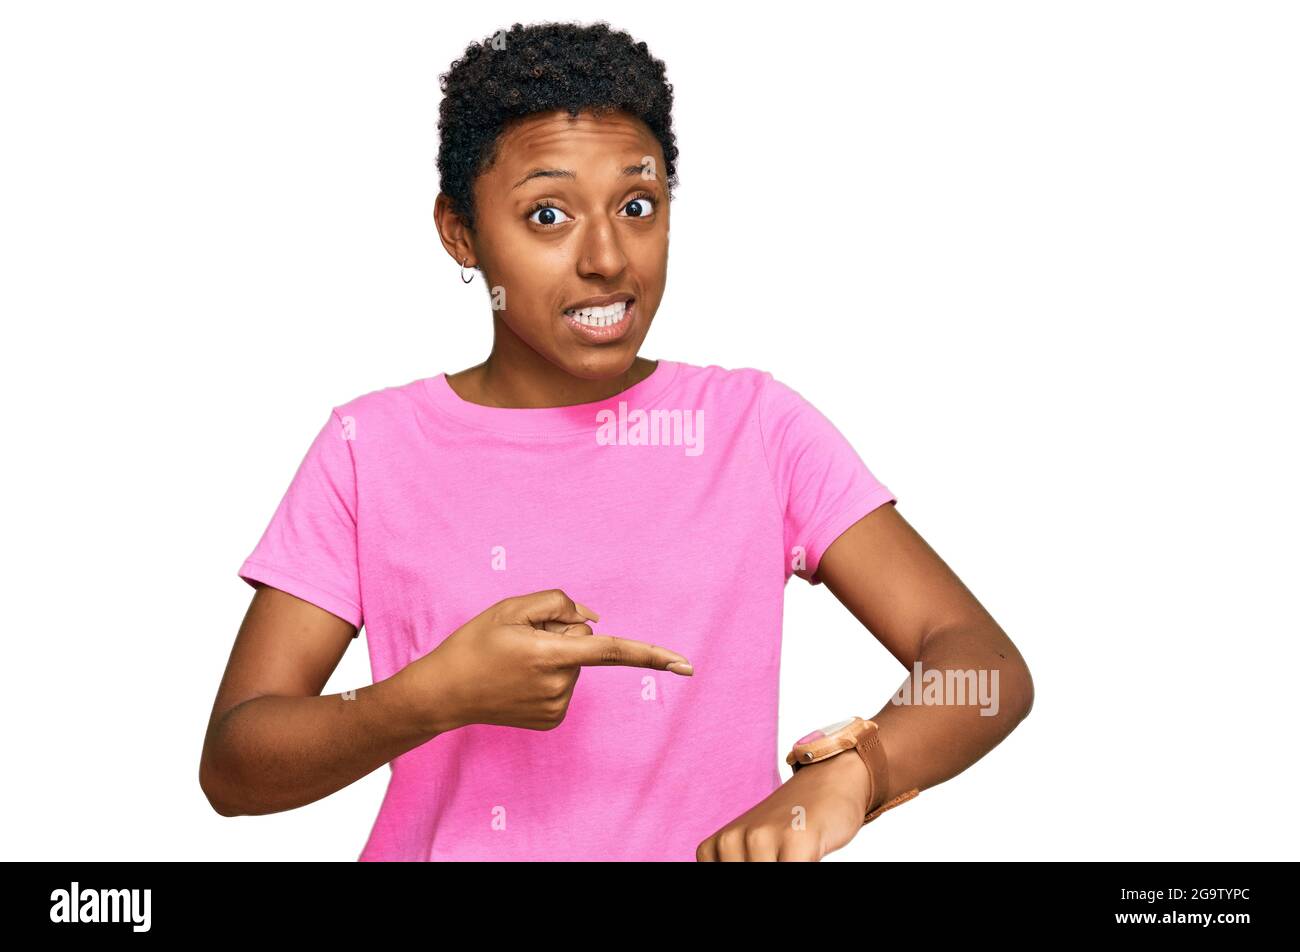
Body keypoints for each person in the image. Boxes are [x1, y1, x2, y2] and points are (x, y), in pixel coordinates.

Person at [199, 20, 1034, 862]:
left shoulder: (755, 428)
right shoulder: (368, 448)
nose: (606, 258)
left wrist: (855, 770)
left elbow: (983, 665)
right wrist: (429, 697)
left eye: (638, 207)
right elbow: (235, 766)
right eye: (548, 214)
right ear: (460, 232)